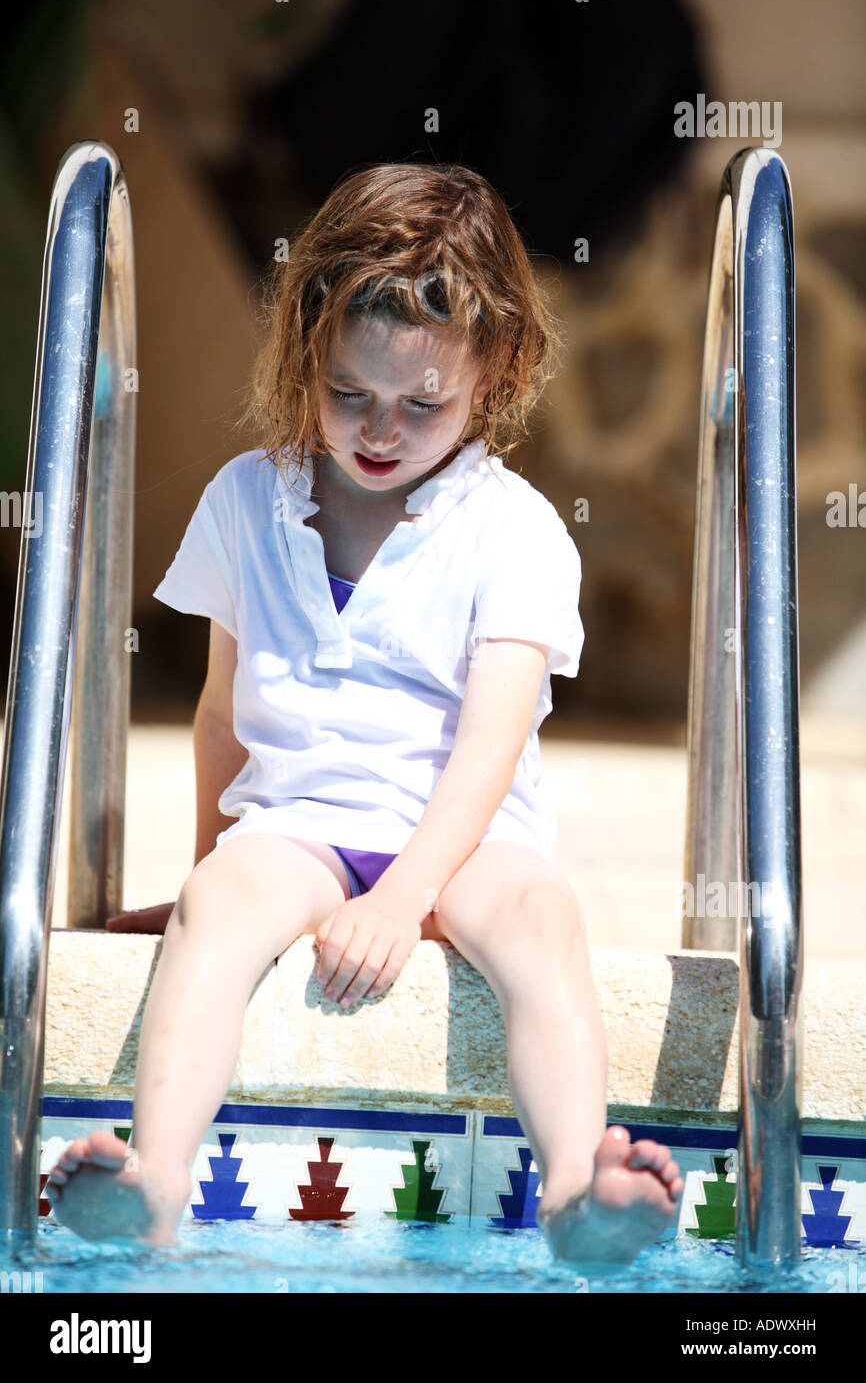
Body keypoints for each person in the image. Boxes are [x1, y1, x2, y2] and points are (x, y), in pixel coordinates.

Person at [46, 162, 683, 1263]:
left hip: (463, 838)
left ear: (492, 376)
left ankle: (579, 1184)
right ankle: (155, 1180)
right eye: (350, 393)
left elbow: (489, 745)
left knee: (539, 922)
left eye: (421, 404)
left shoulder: (514, 531)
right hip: (298, 823)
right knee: (221, 902)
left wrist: (401, 898)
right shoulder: (248, 498)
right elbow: (216, 711)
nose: (380, 429)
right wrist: (208, 878)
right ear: (306, 356)